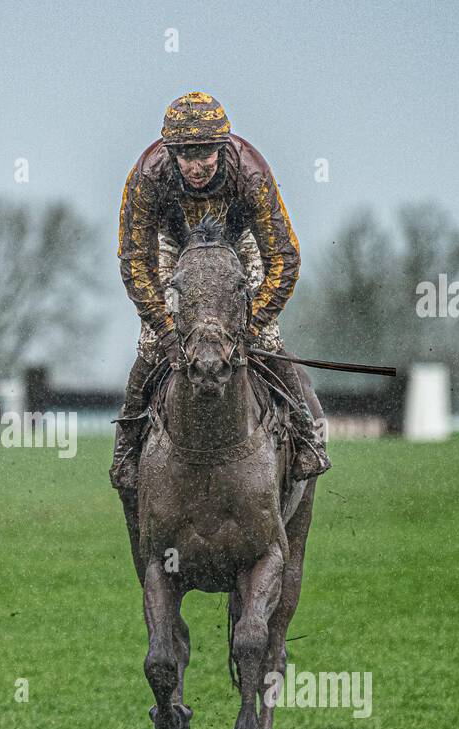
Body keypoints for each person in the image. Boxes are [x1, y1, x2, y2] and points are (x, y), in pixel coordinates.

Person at [112, 91, 331, 490]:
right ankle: (126, 449)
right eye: (185, 155)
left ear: (222, 147)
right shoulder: (146, 176)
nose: (196, 166)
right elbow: (134, 263)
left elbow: (284, 258)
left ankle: (304, 437)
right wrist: (164, 331)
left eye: (205, 155)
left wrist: (250, 325)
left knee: (269, 337)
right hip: (173, 244)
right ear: (171, 152)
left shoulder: (251, 172)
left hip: (237, 242)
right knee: (148, 344)